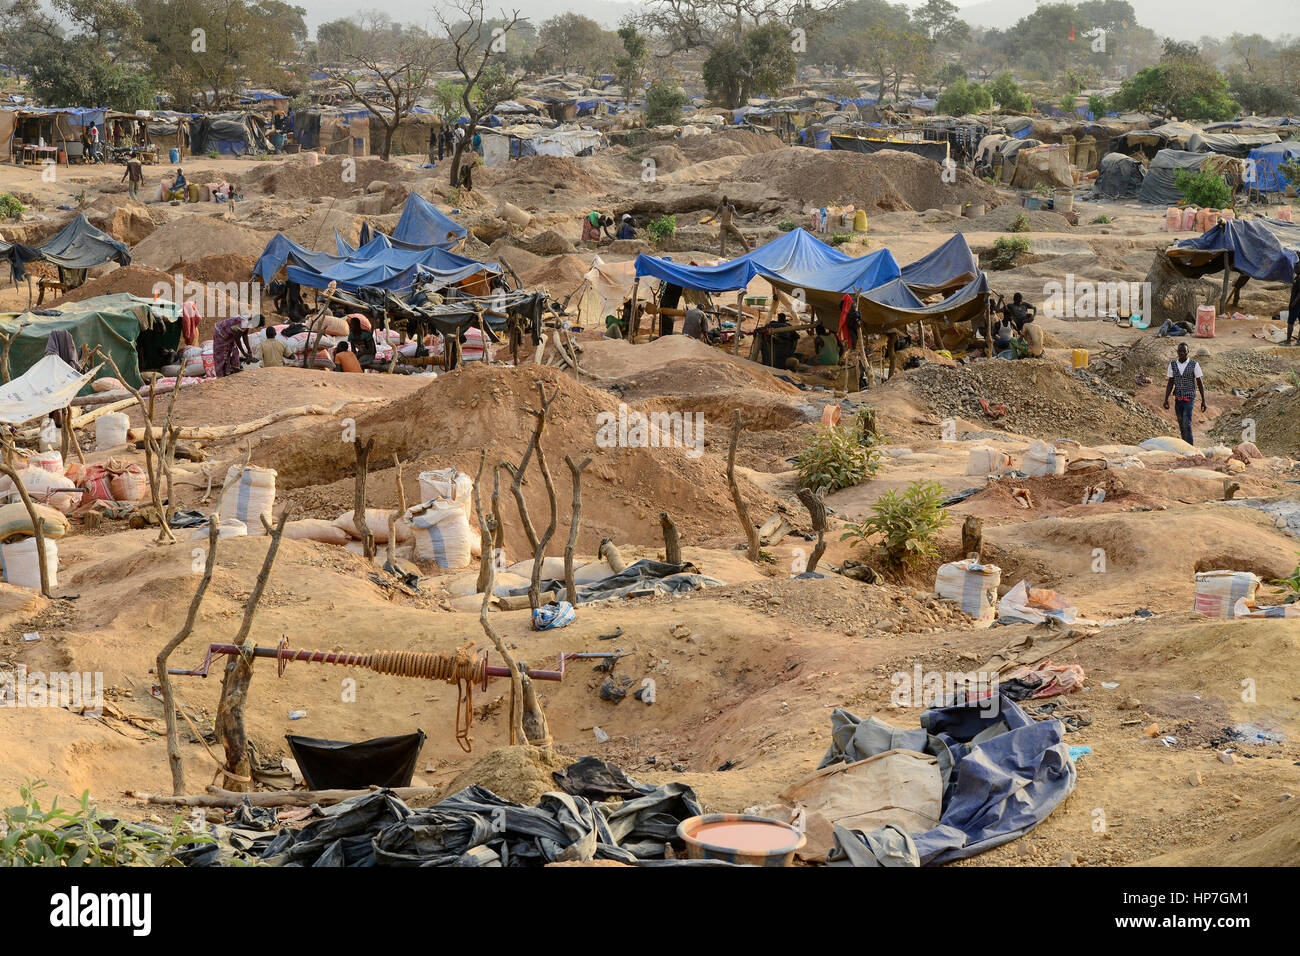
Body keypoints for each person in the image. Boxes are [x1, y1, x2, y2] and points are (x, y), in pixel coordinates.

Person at [1163, 342, 1207, 446]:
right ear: (1177, 352)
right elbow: (1170, 382)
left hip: (1189, 398)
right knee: (1181, 424)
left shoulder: (1194, 364)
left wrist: (1203, 400)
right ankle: (1184, 446)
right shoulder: (1172, 365)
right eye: (1180, 351)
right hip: (1178, 398)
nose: (1182, 353)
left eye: (1184, 351)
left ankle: (1191, 447)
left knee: (1186, 423)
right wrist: (1166, 399)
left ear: (1188, 352)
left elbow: (1199, 382)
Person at [1286, 266, 1300, 345]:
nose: (1295, 269)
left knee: (1290, 322)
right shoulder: (1296, 278)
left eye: (1297, 268)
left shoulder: (1299, 279)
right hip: (1297, 304)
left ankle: (1288, 342)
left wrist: (1293, 303)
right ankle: (1299, 342)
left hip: (1296, 305)